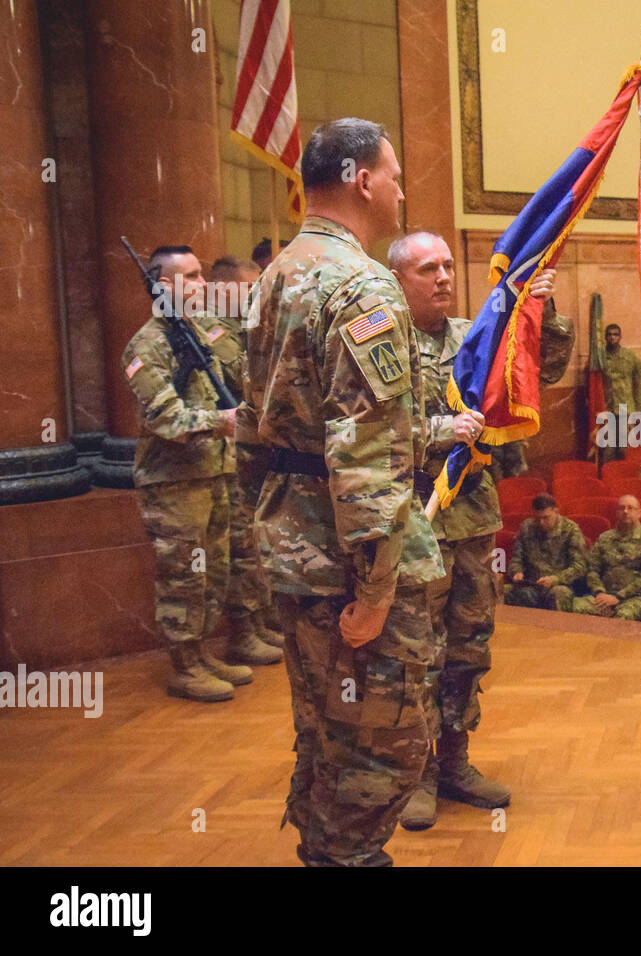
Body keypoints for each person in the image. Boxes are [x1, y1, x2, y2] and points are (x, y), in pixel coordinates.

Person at [245, 117, 445, 866]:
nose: (399, 189)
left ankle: (329, 851)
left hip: (293, 542)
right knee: (384, 744)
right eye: (394, 174)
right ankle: (345, 857)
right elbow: (366, 454)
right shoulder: (362, 284)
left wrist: (259, 529)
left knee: (327, 727)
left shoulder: (274, 276)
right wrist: (376, 587)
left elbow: (249, 425)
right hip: (342, 555)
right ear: (362, 178)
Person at [388, 230, 562, 824]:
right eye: (426, 269)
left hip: (473, 521)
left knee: (468, 644)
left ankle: (456, 759)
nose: (442, 277)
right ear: (398, 280)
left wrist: (541, 308)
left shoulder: (475, 335)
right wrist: (442, 432)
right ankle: (418, 772)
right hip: (415, 522)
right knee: (418, 652)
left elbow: (541, 372)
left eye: (445, 266)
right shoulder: (383, 343)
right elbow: (370, 430)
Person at [121, 244, 266, 703]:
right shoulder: (145, 347)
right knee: (183, 575)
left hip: (214, 471)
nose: (203, 286)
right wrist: (218, 422)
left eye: (203, 276)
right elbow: (164, 419)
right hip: (173, 482)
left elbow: (236, 378)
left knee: (214, 571)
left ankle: (203, 654)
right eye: (191, 278)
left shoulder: (201, 333)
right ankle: (184, 665)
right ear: (164, 286)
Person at [209, 256, 285, 658]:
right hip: (224, 457)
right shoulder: (214, 337)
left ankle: (259, 621)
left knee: (255, 545)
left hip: (251, 453)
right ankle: (241, 632)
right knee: (239, 549)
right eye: (248, 287)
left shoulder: (249, 333)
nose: (257, 295)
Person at [571, 495, 641, 620]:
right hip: (603, 596)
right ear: (616, 513)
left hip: (635, 598)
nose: (625, 511)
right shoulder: (604, 538)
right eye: (621, 508)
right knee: (576, 607)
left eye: (630, 508)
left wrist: (618, 597)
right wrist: (600, 593)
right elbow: (592, 569)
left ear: (639, 513)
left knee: (623, 616)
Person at [505, 493, 587, 612]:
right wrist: (516, 572)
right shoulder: (527, 527)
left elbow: (580, 566)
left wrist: (555, 579)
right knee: (504, 591)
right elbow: (517, 558)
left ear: (556, 512)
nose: (541, 523)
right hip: (531, 584)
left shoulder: (570, 530)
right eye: (537, 518)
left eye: (546, 518)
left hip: (558, 584)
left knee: (559, 594)